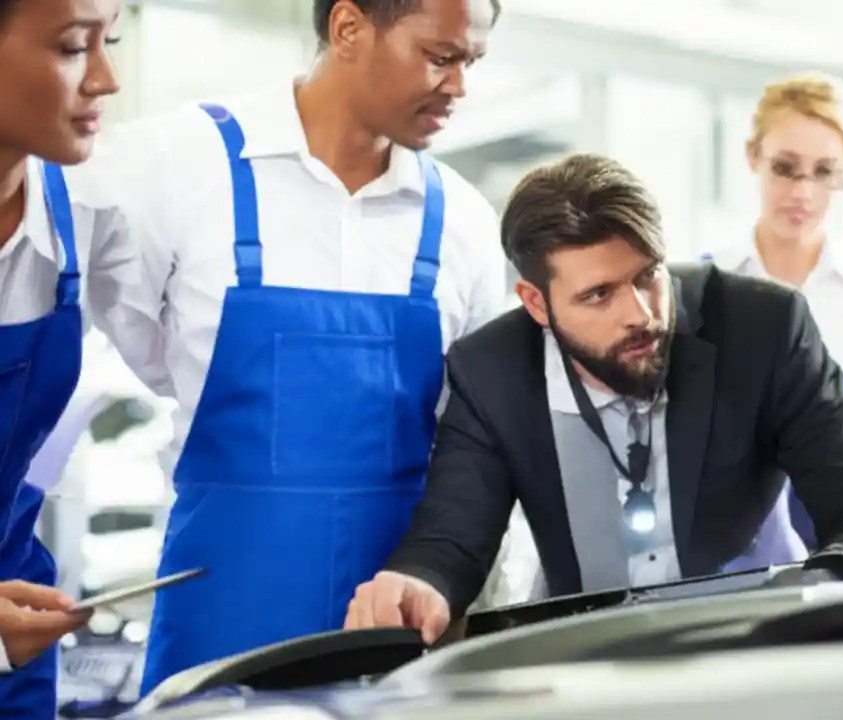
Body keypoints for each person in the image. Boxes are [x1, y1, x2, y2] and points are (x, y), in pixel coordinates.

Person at [69, 0, 514, 692]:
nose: (460, 87)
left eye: (472, 62)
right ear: (348, 29)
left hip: (395, 633)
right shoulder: (173, 167)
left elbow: (477, 444)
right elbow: (139, 345)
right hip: (219, 625)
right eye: (440, 56)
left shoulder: (463, 221)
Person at [342, 153, 843, 640]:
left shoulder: (764, 327)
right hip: (587, 662)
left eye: (647, 275)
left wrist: (820, 594)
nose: (640, 314)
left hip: (757, 651)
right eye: (598, 295)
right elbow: (453, 538)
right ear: (536, 303)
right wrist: (418, 583)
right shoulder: (490, 372)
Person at [703, 73, 843, 564]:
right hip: (732, 561)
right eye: (785, 168)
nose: (803, 193)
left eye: (824, 172)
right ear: (752, 156)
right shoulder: (703, 288)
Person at [0, 0, 124, 711]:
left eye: (110, 41)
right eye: (77, 47)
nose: (106, 78)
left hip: (20, 633)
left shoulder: (87, 213)